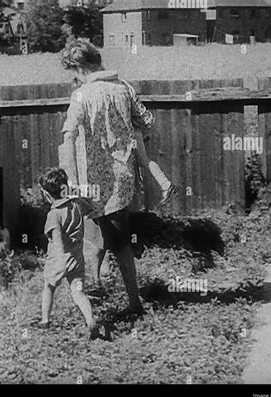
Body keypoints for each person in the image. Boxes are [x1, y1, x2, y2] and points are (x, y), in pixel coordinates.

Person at [59, 40, 175, 314]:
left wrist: (70, 180)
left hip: (91, 181)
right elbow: (147, 121)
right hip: (122, 177)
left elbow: (68, 135)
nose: (73, 78)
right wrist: (130, 137)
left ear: (79, 67)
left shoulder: (81, 96)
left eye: (73, 72)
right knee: (101, 233)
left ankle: (135, 304)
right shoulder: (124, 88)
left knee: (119, 242)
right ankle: (98, 284)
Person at [38, 167, 100, 339]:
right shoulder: (76, 206)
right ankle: (90, 320)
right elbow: (90, 205)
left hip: (59, 258)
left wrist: (59, 261)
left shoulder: (53, 214)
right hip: (77, 259)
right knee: (78, 292)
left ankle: (45, 320)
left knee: (49, 287)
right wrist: (74, 193)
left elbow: (57, 239)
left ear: (46, 195)